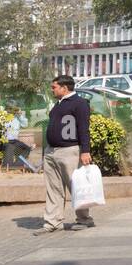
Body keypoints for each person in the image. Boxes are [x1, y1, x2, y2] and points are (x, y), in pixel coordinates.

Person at [36, 76, 94, 236]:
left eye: (54, 87)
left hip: (70, 152)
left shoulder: (80, 103)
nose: (52, 90)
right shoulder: (58, 104)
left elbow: (84, 128)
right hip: (52, 152)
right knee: (53, 189)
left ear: (64, 88)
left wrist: (85, 151)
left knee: (76, 186)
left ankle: (84, 219)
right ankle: (53, 222)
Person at [3, 105, 31, 171]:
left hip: (14, 141)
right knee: (10, 147)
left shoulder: (17, 118)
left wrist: (20, 115)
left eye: (14, 109)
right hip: (5, 140)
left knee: (26, 149)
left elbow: (25, 125)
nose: (12, 111)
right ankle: (8, 166)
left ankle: (17, 165)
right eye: (10, 109)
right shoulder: (3, 117)